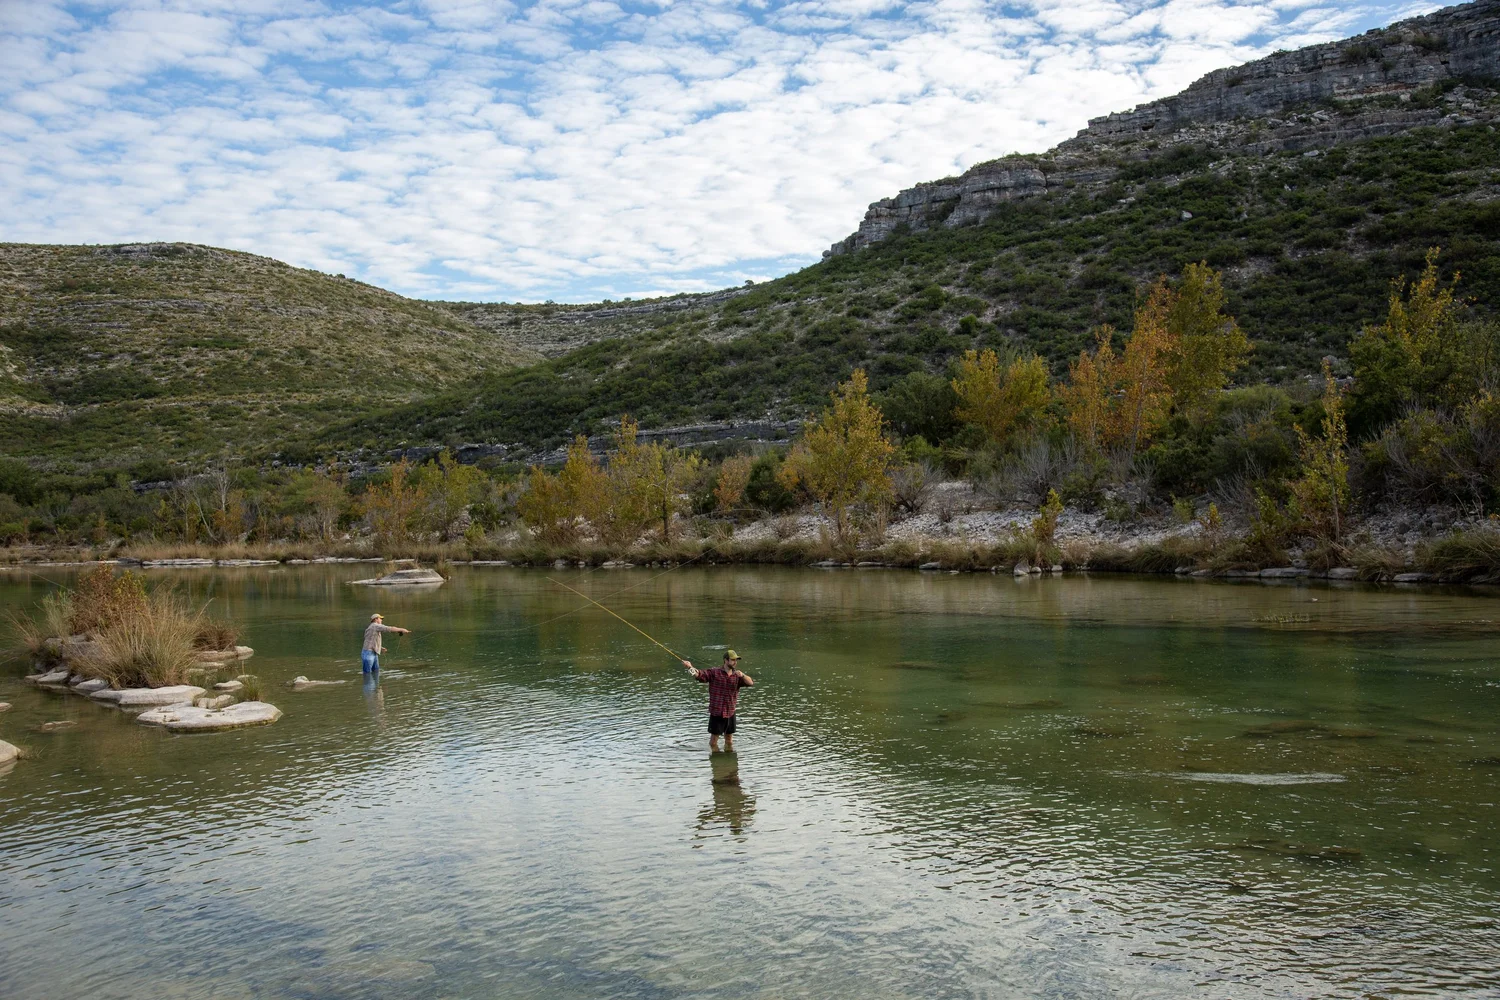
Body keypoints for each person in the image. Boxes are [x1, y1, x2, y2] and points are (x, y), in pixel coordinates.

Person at [683, 649, 754, 751]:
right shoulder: (714, 673)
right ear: (726, 660)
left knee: (729, 740)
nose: (735, 662)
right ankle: (716, 761)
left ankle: (728, 762)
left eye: (736, 660)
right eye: (732, 660)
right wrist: (690, 667)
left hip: (730, 711)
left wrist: (742, 675)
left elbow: (751, 683)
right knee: (713, 741)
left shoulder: (738, 676)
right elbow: (700, 675)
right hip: (717, 712)